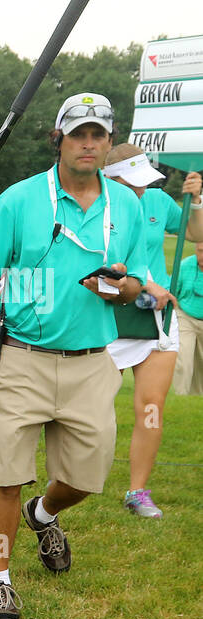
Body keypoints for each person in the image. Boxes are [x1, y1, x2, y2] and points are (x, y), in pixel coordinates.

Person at [0, 93, 150, 619]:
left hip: (90, 363)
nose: (88, 144)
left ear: (109, 143)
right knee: (7, 474)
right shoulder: (19, 200)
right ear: (58, 138)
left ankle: (44, 513)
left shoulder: (127, 206)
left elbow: (136, 286)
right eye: (78, 134)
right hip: (22, 358)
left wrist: (121, 286)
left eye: (98, 135)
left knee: (88, 477)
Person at [101, 144, 202, 516]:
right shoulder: (96, 206)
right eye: (133, 184)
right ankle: (69, 478)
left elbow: (196, 234)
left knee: (151, 408)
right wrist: (143, 282)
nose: (141, 190)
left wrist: (197, 199)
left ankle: (137, 491)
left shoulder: (157, 201)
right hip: (109, 315)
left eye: (144, 183)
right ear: (110, 178)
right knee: (90, 408)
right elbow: (98, 261)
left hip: (158, 317)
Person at [174, 240, 203, 395]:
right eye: (200, 251)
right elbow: (174, 294)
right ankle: (180, 396)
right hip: (186, 317)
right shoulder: (185, 266)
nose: (202, 256)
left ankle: (197, 398)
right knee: (183, 358)